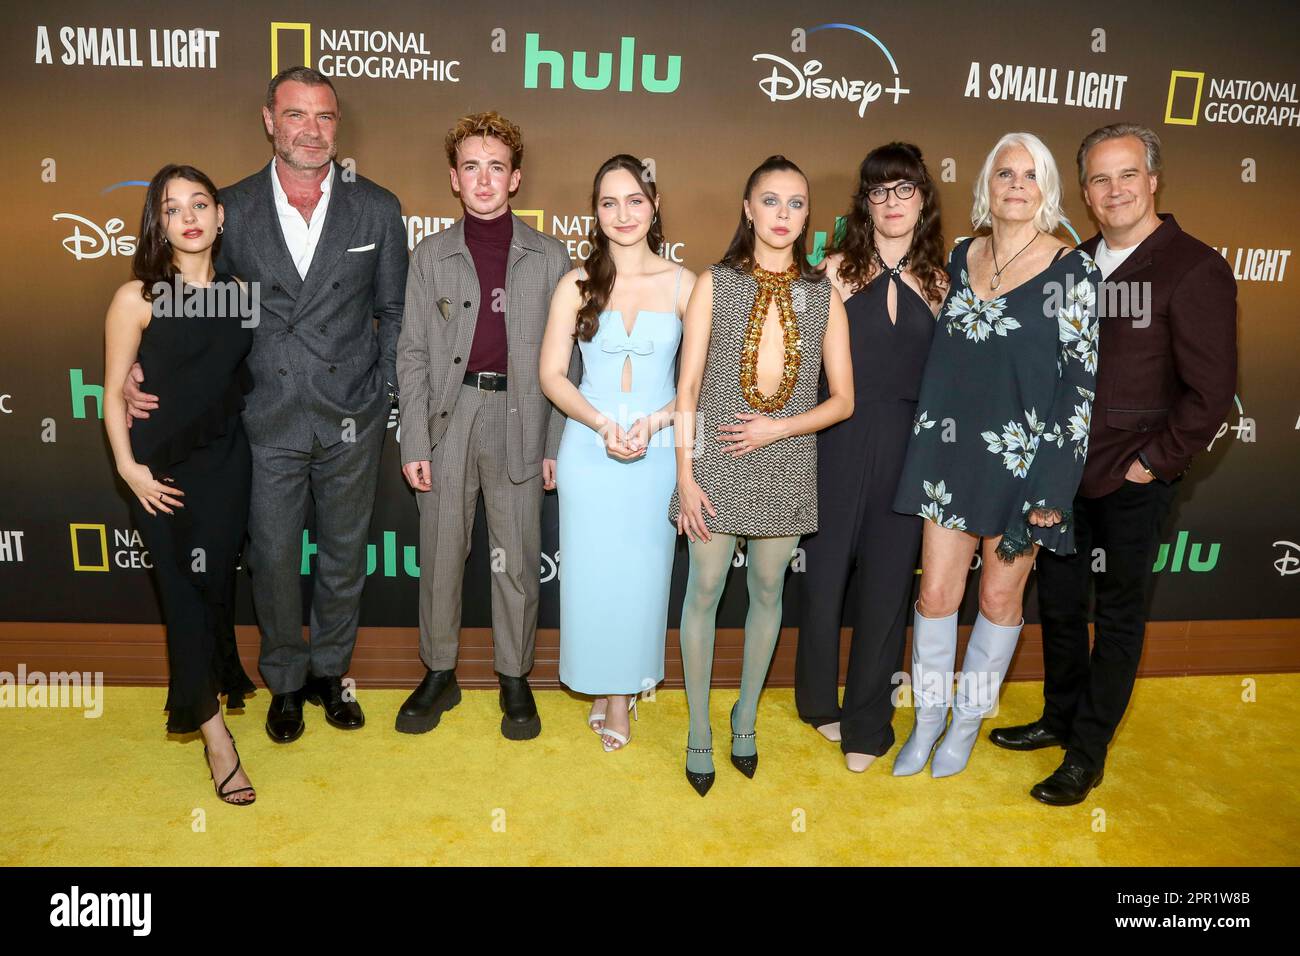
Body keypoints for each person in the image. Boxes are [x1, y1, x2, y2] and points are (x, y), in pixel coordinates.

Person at [126, 67, 408, 745]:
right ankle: (284, 681)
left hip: (351, 414)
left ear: (337, 126)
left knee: (344, 555)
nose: (311, 130)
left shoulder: (377, 207)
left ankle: (332, 674)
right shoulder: (230, 205)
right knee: (276, 558)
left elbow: (394, 311)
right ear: (269, 120)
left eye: (324, 117)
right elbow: (186, 295)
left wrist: (384, 393)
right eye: (296, 115)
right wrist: (140, 359)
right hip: (264, 415)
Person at [990, 123, 1238, 805]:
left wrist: (1153, 464)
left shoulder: (1193, 266)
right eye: (1099, 179)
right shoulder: (1073, 261)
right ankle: (1059, 717)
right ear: (1085, 192)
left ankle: (1087, 752)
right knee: (1062, 608)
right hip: (1063, 476)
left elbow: (1213, 391)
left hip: (1133, 479)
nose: (1114, 189)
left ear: (1153, 180)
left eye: (1127, 174)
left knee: (1120, 617)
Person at [891, 132, 1101, 778]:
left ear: (1047, 190)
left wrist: (1052, 489)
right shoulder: (956, 256)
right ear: (987, 184)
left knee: (998, 602)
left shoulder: (1075, 271)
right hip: (947, 459)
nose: (1016, 184)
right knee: (936, 596)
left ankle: (965, 725)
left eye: (1029, 174)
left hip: (1026, 465)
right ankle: (927, 721)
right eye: (1004, 172)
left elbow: (1079, 387)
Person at [670, 155, 853, 796]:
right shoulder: (712, 283)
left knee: (769, 593)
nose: (782, 215)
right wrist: (687, 477)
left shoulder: (822, 293)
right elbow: (687, 390)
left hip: (788, 460)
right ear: (747, 208)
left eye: (795, 203)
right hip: (714, 462)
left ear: (808, 215)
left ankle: (745, 717)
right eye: (769, 201)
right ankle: (698, 728)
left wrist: (775, 429)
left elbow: (843, 401)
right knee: (705, 591)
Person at [396, 111, 576, 740]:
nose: (483, 178)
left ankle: (515, 677)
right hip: (450, 418)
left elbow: (569, 359)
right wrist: (413, 438)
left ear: (515, 178)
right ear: (454, 178)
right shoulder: (429, 256)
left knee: (517, 558)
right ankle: (440, 673)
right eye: (470, 166)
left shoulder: (550, 257)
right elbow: (412, 352)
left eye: (495, 166)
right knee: (441, 552)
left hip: (523, 415)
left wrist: (556, 442)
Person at [104, 164, 257, 804]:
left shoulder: (242, 294)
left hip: (227, 465)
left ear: (221, 216)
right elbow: (114, 392)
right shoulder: (135, 297)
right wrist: (128, 468)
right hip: (156, 470)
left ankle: (212, 685)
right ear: (158, 223)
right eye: (173, 208)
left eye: (201, 203)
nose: (190, 216)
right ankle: (216, 738)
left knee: (214, 586)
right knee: (182, 597)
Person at [795, 143, 948, 773]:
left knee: (887, 588)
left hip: (908, 447)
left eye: (904, 189)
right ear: (865, 202)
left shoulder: (943, 281)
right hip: (836, 438)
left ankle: (868, 721)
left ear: (922, 199)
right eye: (879, 191)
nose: (891, 202)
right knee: (825, 578)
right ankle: (815, 702)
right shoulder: (832, 270)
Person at [541, 155, 694, 752]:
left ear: (654, 205)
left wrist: (655, 423)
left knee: (644, 574)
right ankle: (605, 687)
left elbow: (702, 381)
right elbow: (553, 374)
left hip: (658, 450)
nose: (623, 213)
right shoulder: (577, 283)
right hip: (589, 445)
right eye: (609, 202)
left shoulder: (687, 284)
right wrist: (604, 424)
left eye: (634, 200)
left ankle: (622, 695)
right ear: (595, 212)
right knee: (593, 575)